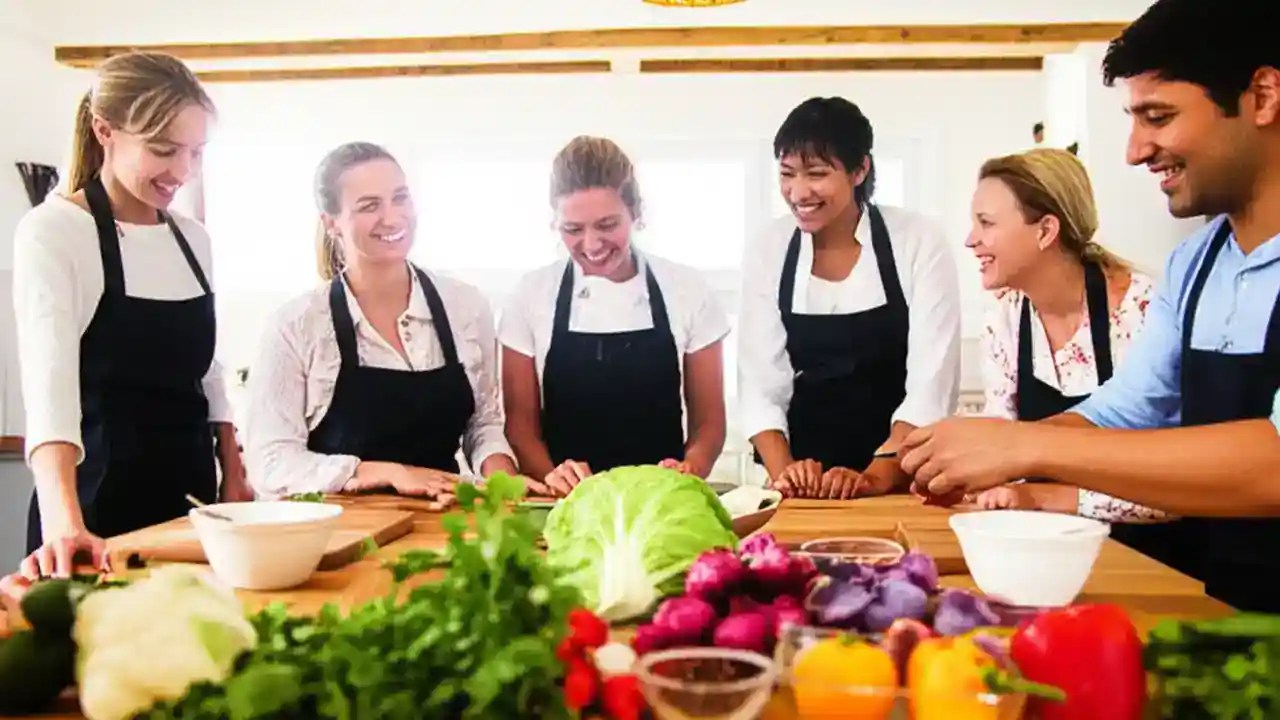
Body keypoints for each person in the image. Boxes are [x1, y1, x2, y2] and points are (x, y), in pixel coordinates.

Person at [901, 0, 1280, 611]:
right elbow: (1127, 409)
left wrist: (1025, 449)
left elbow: (1274, 466)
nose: (1134, 151)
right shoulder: (1197, 265)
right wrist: (988, 448)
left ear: (1262, 96)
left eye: (1158, 116)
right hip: (1228, 608)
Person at [12, 52, 249, 579]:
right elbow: (49, 390)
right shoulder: (56, 231)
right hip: (95, 510)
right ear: (105, 130)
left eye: (196, 152)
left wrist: (233, 470)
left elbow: (208, 371)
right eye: (164, 150)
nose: (182, 173)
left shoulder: (193, 239)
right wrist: (62, 524)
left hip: (191, 506)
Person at [243, 142, 519, 500]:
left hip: (441, 521)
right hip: (340, 532)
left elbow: (483, 425)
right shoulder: (295, 325)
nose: (392, 217)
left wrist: (504, 482)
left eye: (400, 198)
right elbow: (271, 462)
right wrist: (388, 473)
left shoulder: (466, 307)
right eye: (369, 206)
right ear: (331, 223)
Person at [739, 97, 961, 500]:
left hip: (901, 476)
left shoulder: (917, 240)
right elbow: (760, 387)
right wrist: (787, 475)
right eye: (787, 174)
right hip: (800, 482)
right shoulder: (768, 249)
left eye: (817, 174)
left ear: (861, 169)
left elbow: (932, 383)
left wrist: (875, 477)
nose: (798, 191)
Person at [964, 148, 1176, 546]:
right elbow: (1003, 447)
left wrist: (1045, 497)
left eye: (986, 223)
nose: (970, 240)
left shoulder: (1144, 311)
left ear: (1045, 230)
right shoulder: (1005, 319)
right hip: (1051, 545)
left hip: (1153, 556)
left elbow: (1178, 485)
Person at [500, 136, 729, 497]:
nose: (591, 245)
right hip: (564, 506)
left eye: (607, 225)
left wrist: (690, 470)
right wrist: (556, 482)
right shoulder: (530, 295)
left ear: (636, 213)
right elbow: (520, 428)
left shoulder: (687, 289)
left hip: (661, 501)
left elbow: (709, 423)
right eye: (572, 229)